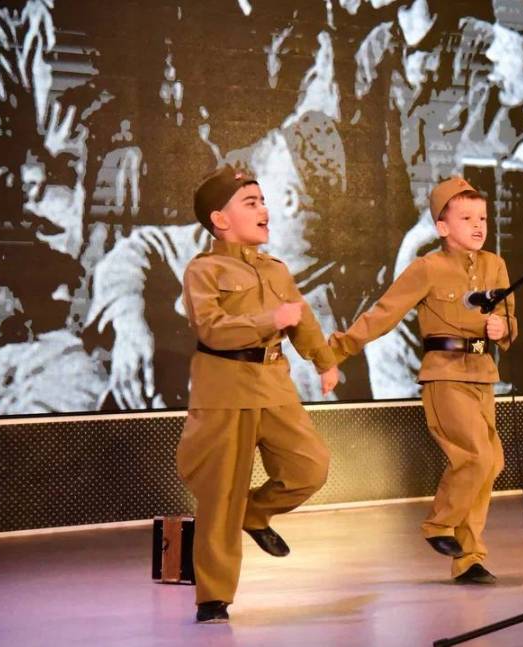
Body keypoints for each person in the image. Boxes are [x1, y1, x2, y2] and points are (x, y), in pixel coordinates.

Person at [328, 176, 517, 584]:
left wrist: (505, 328)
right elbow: (383, 314)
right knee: (475, 457)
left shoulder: (495, 266)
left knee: (492, 462)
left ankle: (468, 558)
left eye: (482, 218)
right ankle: (438, 524)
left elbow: (508, 316)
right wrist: (337, 349)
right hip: (444, 375)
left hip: (483, 374)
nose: (478, 225)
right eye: (466, 218)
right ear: (442, 227)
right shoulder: (427, 267)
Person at [177, 165, 339, 622]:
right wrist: (271, 321)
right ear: (220, 219)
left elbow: (302, 319)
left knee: (310, 466)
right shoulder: (204, 270)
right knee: (221, 496)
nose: (264, 209)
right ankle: (213, 596)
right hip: (225, 390)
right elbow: (211, 329)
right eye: (251, 203)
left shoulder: (275, 269)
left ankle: (254, 513)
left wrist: (324, 361)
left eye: (262, 201)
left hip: (274, 385)